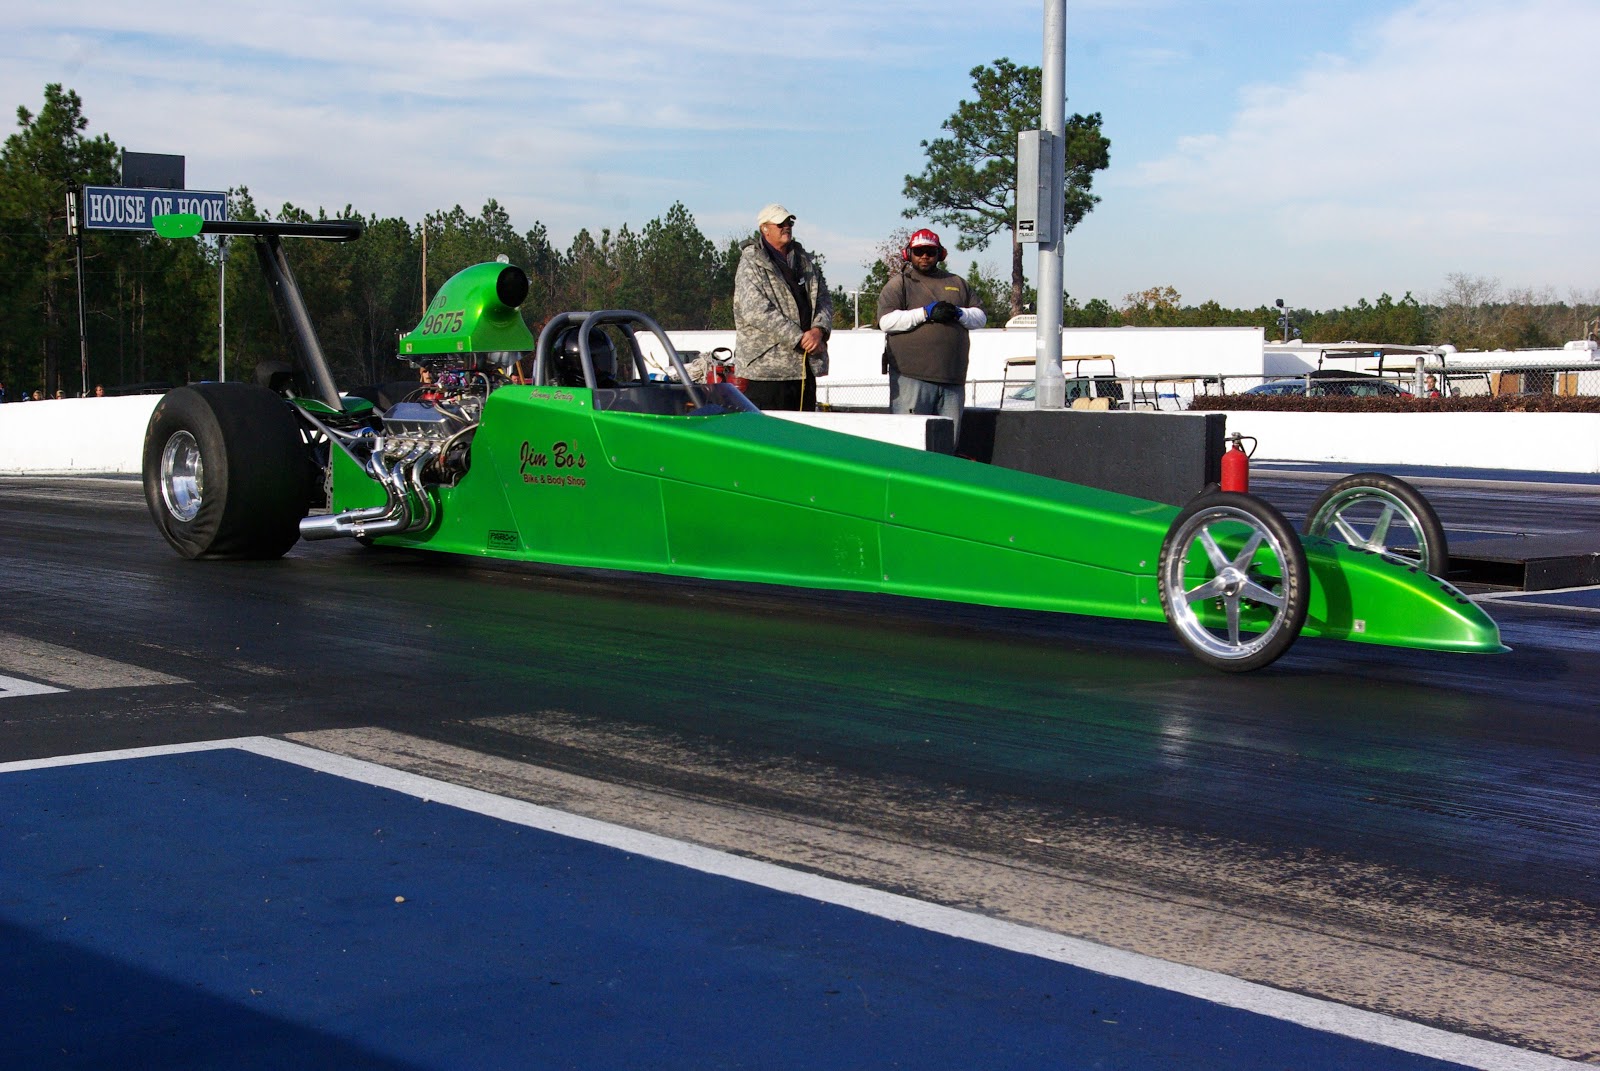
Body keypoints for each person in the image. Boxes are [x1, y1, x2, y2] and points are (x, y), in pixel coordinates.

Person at [877, 227, 986, 436]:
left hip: (952, 379)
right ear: (908, 254)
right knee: (909, 443)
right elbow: (886, 321)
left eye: (930, 251)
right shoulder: (899, 283)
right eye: (919, 252)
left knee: (947, 445)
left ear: (940, 254)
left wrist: (957, 312)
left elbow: (980, 317)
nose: (925, 256)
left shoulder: (958, 283)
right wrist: (926, 313)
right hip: (911, 378)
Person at [732, 203, 832, 411]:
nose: (786, 227)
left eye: (789, 222)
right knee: (767, 439)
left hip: (805, 370)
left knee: (802, 440)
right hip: (766, 374)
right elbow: (756, 311)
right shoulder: (751, 262)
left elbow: (823, 299)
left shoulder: (805, 262)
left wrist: (819, 331)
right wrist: (799, 339)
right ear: (764, 229)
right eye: (780, 223)